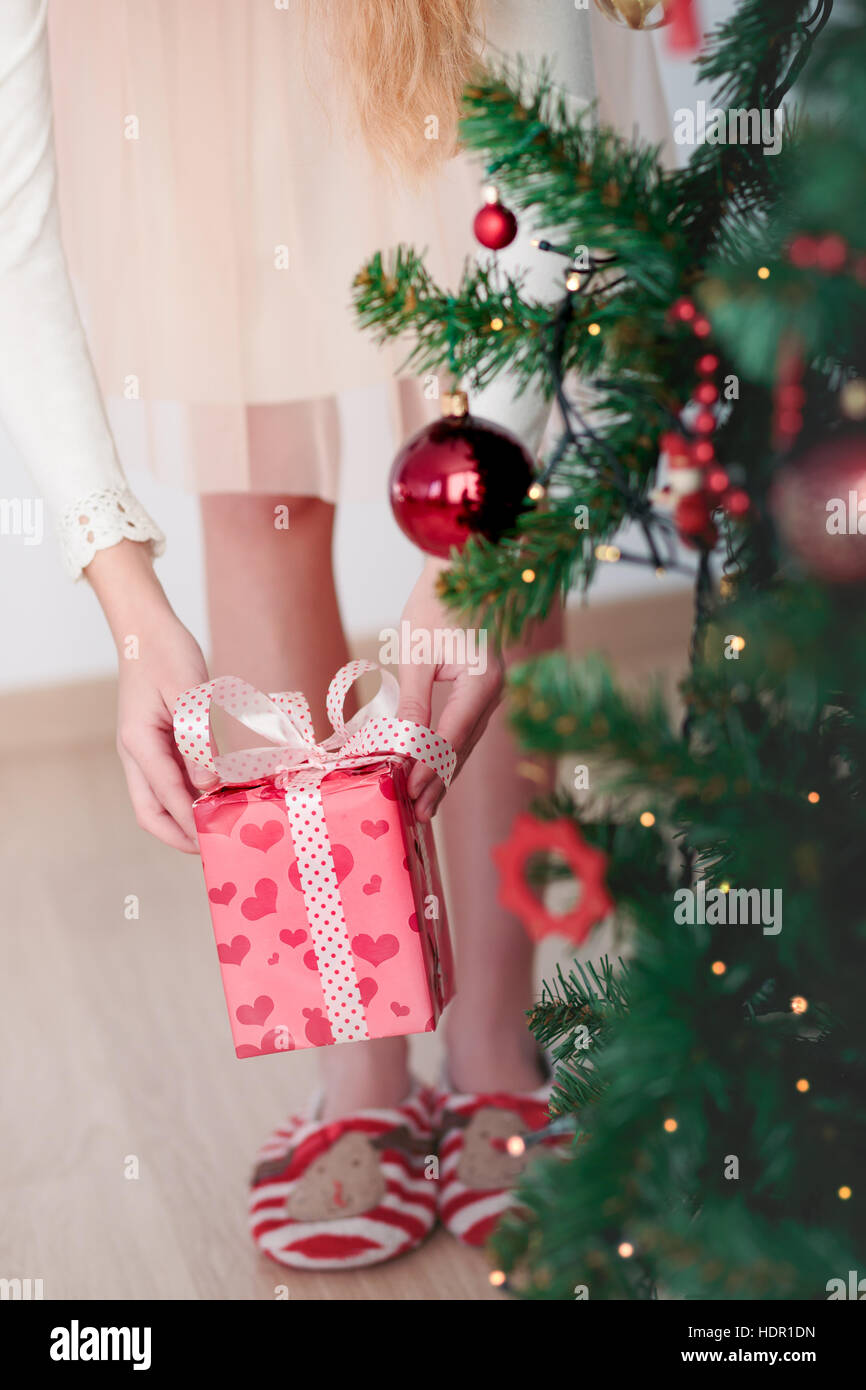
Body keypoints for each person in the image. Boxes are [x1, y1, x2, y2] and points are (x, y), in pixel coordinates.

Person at [0, 0, 655, 1270]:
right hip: (185, 61)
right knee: (260, 490)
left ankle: (495, 1049)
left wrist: (466, 570)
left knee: (489, 503)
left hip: (436, 28)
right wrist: (130, 606)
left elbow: (540, 210)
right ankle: (360, 1064)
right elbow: (7, 237)